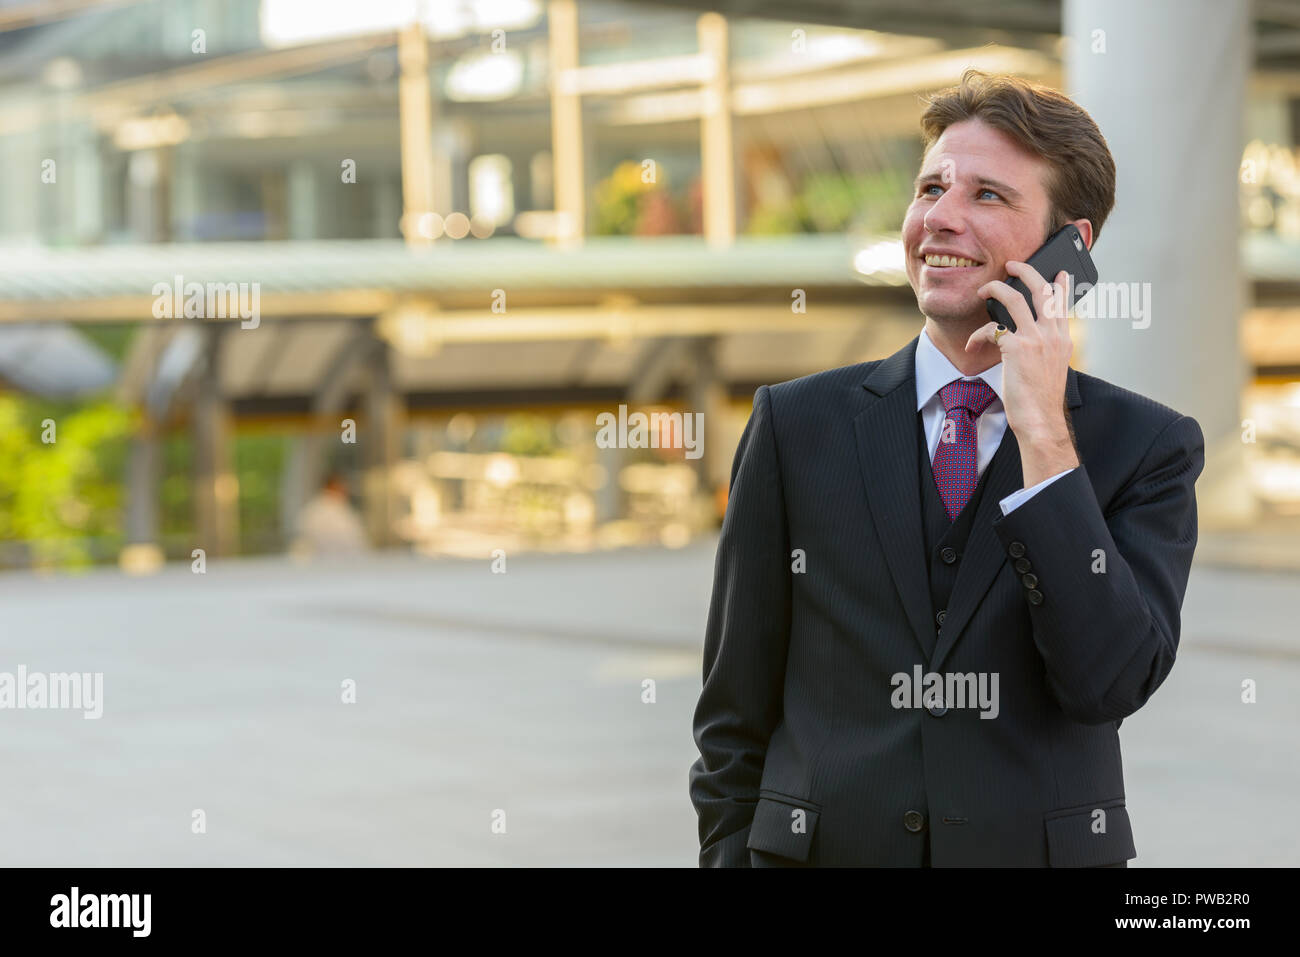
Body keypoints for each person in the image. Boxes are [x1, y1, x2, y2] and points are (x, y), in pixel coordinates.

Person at [689, 70, 1204, 867]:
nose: (940, 218)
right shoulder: (795, 426)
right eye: (932, 186)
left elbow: (1108, 681)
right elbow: (732, 711)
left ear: (1072, 245)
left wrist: (1043, 436)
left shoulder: (1147, 447)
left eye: (989, 196)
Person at [293, 472, 370, 557]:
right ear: (336, 486)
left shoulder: (310, 511)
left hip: (316, 567)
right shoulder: (342, 513)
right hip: (343, 565)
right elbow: (357, 544)